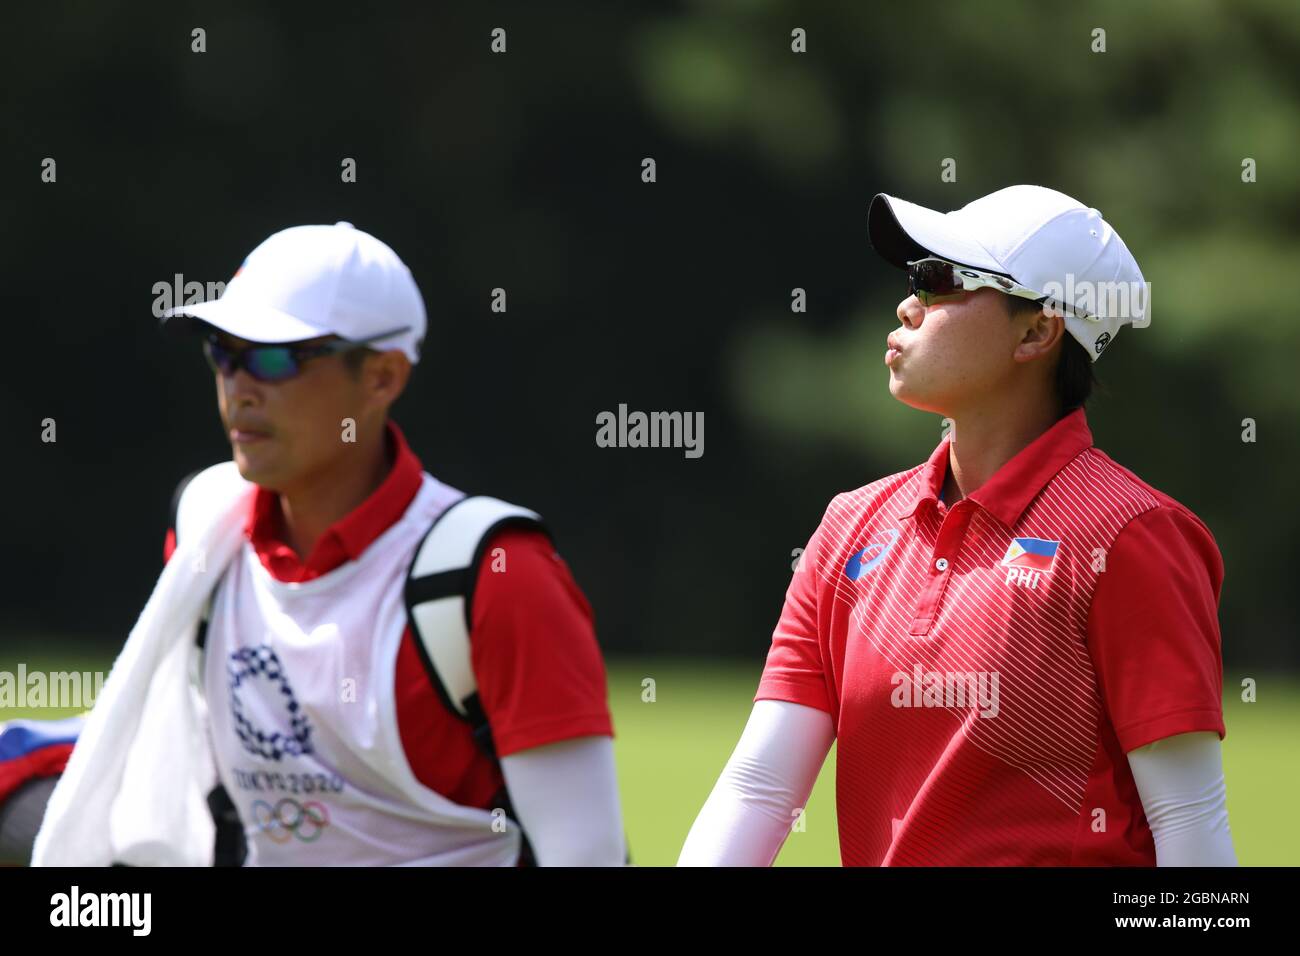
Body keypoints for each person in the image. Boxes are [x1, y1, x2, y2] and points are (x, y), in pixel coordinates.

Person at [29, 222, 627, 866]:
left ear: (382, 378)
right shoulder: (207, 519)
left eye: (275, 357)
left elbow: (587, 855)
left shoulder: (497, 574)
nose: (239, 385)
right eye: (221, 352)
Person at [678, 185, 1236, 867]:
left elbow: (1190, 825)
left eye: (940, 280)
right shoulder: (849, 526)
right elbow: (760, 790)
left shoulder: (1132, 535)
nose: (908, 304)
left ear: (1037, 332)